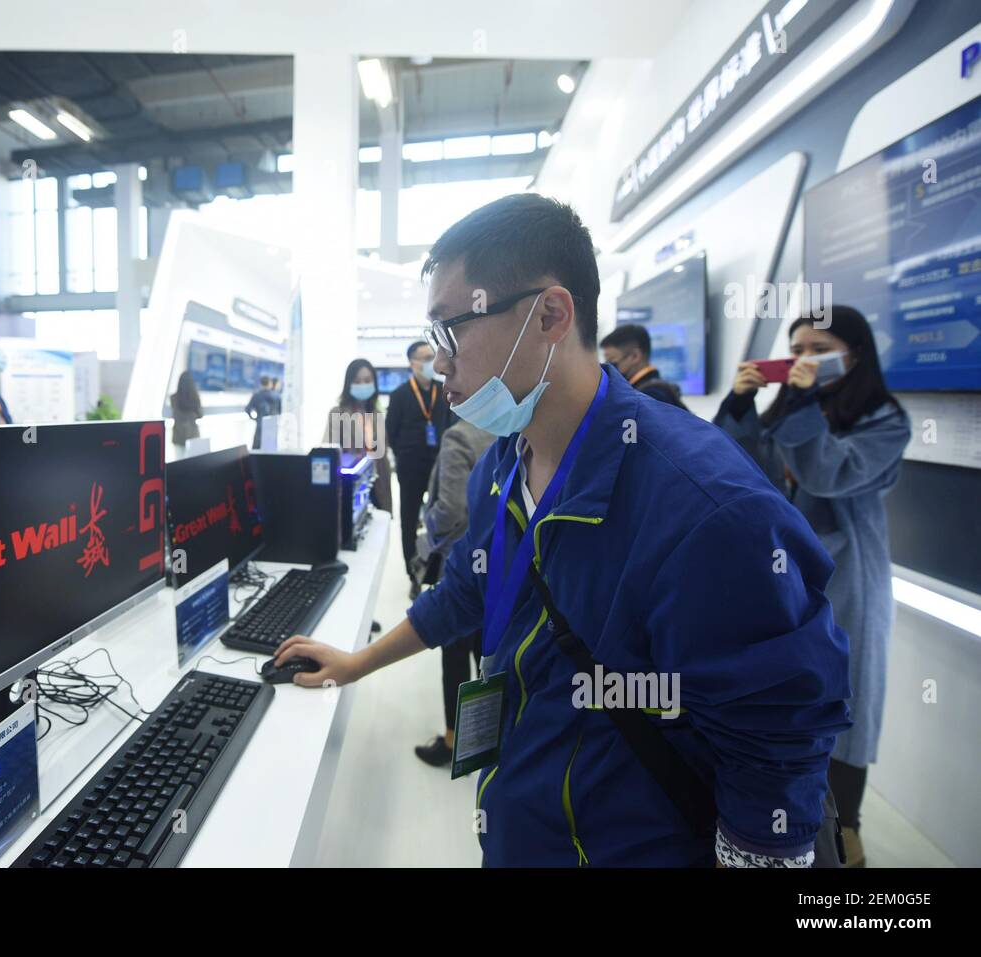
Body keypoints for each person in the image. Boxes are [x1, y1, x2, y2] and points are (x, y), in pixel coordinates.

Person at [273, 193, 850, 867]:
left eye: (452, 330)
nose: (438, 359)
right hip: (524, 821)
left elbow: (776, 742)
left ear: (549, 314)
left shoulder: (703, 506)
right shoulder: (502, 461)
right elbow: (465, 591)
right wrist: (356, 663)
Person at [714, 306, 910, 868]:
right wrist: (738, 406)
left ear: (854, 354)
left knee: (848, 709)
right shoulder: (788, 409)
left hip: (850, 582)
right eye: (795, 348)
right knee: (792, 701)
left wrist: (798, 408)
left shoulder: (884, 420)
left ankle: (847, 829)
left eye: (817, 348)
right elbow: (739, 472)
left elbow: (830, 472)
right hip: (784, 577)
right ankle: (797, 820)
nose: (803, 359)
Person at [412, 414, 494, 767]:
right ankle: (485, 734)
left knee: (455, 649)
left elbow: (451, 509)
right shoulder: (511, 429)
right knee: (486, 650)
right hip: (501, 557)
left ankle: (453, 738)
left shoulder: (459, 437)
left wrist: (426, 537)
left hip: (462, 559)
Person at [385, 340, 450, 598]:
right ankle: (413, 573)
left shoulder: (443, 390)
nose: (430, 361)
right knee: (409, 521)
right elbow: (391, 430)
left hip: (440, 465)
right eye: (424, 357)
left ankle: (435, 570)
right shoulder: (400, 394)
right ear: (412, 363)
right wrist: (403, 453)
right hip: (411, 467)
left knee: (441, 519)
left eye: (432, 356)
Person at [324, 359, 393, 514]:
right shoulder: (338, 413)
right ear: (349, 384)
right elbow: (328, 450)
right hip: (351, 485)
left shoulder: (377, 414)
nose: (363, 384)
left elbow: (382, 454)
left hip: (378, 484)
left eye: (367, 380)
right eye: (357, 381)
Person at [599, 324, 688, 409]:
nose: (608, 366)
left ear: (635, 356)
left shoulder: (652, 395)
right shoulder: (650, 390)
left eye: (612, 360)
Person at [170, 370, 203, 456]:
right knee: (193, 463)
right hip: (192, 435)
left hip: (178, 435)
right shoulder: (195, 398)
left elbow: (175, 415)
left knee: (179, 463)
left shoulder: (174, 398)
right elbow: (200, 414)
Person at [244, 375, 281, 449]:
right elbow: (280, 411)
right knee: (270, 451)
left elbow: (247, 409)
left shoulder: (256, 395)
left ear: (261, 384)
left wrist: (254, 418)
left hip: (260, 425)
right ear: (270, 383)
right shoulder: (277, 396)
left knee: (257, 451)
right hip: (272, 425)